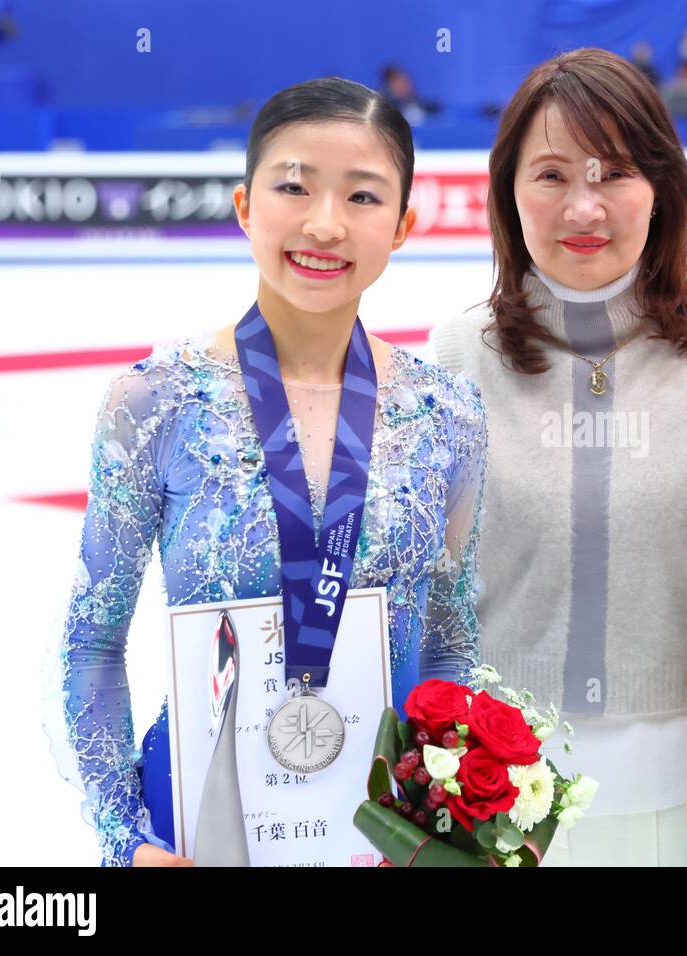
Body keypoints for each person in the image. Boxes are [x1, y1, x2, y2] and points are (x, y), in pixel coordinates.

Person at [42, 76, 487, 867]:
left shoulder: (449, 413)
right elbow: (92, 645)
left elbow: (452, 643)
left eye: (362, 196)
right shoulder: (154, 404)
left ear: (404, 224)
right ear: (246, 206)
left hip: (384, 836)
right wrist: (128, 838)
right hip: (197, 827)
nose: (325, 223)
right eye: (294, 187)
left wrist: (454, 815)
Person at [425, 47, 687, 866]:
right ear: (508, 193)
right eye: (550, 175)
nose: (583, 206)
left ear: (661, 190)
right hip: (497, 802)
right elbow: (434, 594)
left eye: (613, 172)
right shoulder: (455, 354)